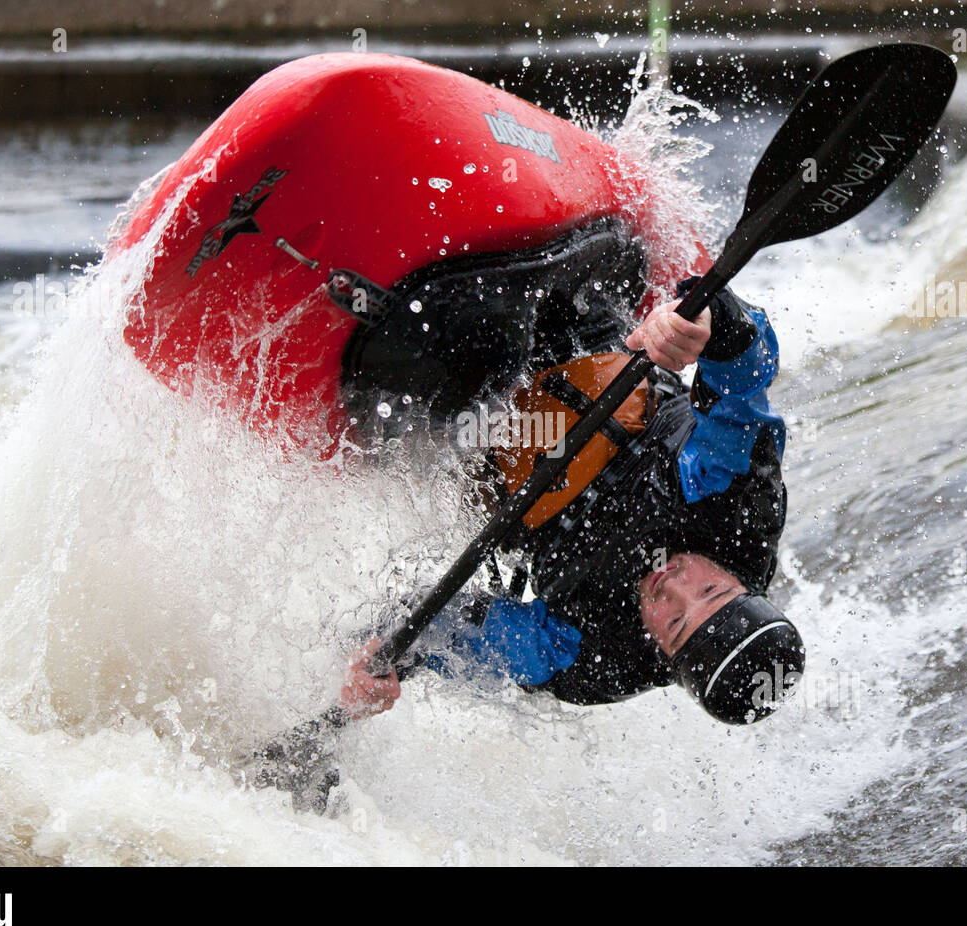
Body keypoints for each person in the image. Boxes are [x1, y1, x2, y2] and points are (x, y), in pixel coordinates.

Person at [339, 277, 805, 725]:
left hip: (487, 450)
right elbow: (741, 381)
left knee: (414, 375)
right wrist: (709, 321)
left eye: (676, 623)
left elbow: (463, 634)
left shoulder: (600, 658)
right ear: (742, 585)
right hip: (593, 346)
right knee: (539, 303)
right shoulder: (740, 512)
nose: (674, 586)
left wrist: (392, 654)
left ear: (663, 656)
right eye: (711, 590)